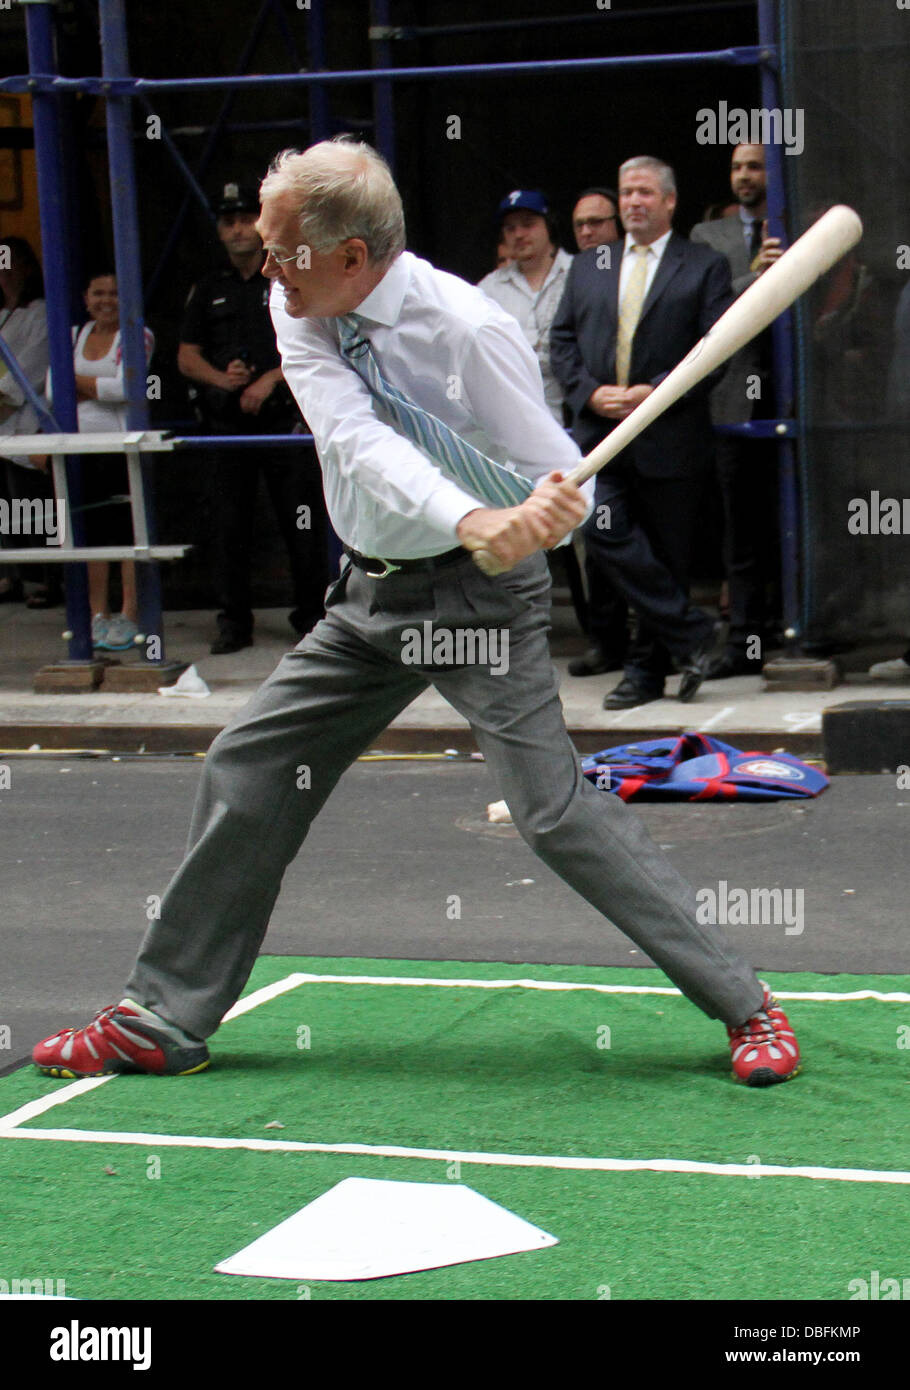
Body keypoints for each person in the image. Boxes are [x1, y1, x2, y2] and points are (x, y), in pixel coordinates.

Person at [32, 137, 800, 1090]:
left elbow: (547, 466)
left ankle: (746, 1004)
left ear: (353, 256)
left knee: (554, 812)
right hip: (369, 595)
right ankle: (164, 1016)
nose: (266, 266)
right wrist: (477, 514)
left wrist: (548, 512)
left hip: (480, 599)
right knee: (252, 760)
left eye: (283, 248)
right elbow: (354, 439)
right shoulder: (297, 301)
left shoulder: (469, 329)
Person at [550, 156, 733, 708]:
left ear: (669, 201)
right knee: (603, 531)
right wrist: (588, 392)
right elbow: (561, 341)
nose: (633, 202)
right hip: (600, 436)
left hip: (669, 436)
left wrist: (657, 389)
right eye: (627, 192)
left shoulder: (703, 265)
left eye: (645, 193)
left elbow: (715, 351)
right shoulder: (589, 266)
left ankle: (646, 673)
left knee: (668, 558)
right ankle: (697, 636)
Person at [178, 181, 330, 655]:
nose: (240, 229)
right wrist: (222, 380)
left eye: (247, 219)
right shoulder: (208, 288)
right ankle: (233, 623)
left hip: (285, 426)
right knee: (228, 529)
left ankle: (311, 619)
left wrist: (269, 379)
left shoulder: (287, 279)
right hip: (227, 430)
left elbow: (319, 346)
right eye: (229, 222)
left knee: (302, 525)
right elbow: (186, 356)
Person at [691, 144, 783, 678]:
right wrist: (761, 277)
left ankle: (795, 629)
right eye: (737, 167)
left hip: (794, 396)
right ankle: (745, 641)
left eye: (755, 166)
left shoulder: (797, 223)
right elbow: (711, 308)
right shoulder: (710, 237)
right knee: (741, 527)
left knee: (790, 520)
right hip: (733, 399)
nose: (745, 176)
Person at [41, 271, 155, 650]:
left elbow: (127, 387)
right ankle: (95, 614)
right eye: (98, 293)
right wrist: (93, 388)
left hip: (122, 449)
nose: (106, 300)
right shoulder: (73, 334)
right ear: (85, 297)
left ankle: (129, 613)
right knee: (88, 533)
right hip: (79, 449)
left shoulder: (137, 334)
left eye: (115, 294)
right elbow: (51, 390)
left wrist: (76, 383)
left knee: (126, 532)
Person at [477, 190, 573, 426]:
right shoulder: (489, 288)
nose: (518, 234)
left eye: (528, 224)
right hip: (516, 418)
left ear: (548, 225)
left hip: (576, 413)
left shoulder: (578, 273)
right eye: (510, 228)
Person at [0, 236, 58, 608]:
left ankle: (46, 578)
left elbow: (29, 369)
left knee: (31, 504)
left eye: (9, 261)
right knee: (3, 506)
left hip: (22, 420)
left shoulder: (39, 312)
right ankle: (10, 575)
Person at [571, 187, 621, 253]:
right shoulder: (573, 262)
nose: (585, 232)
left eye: (595, 222)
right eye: (579, 225)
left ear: (618, 224)